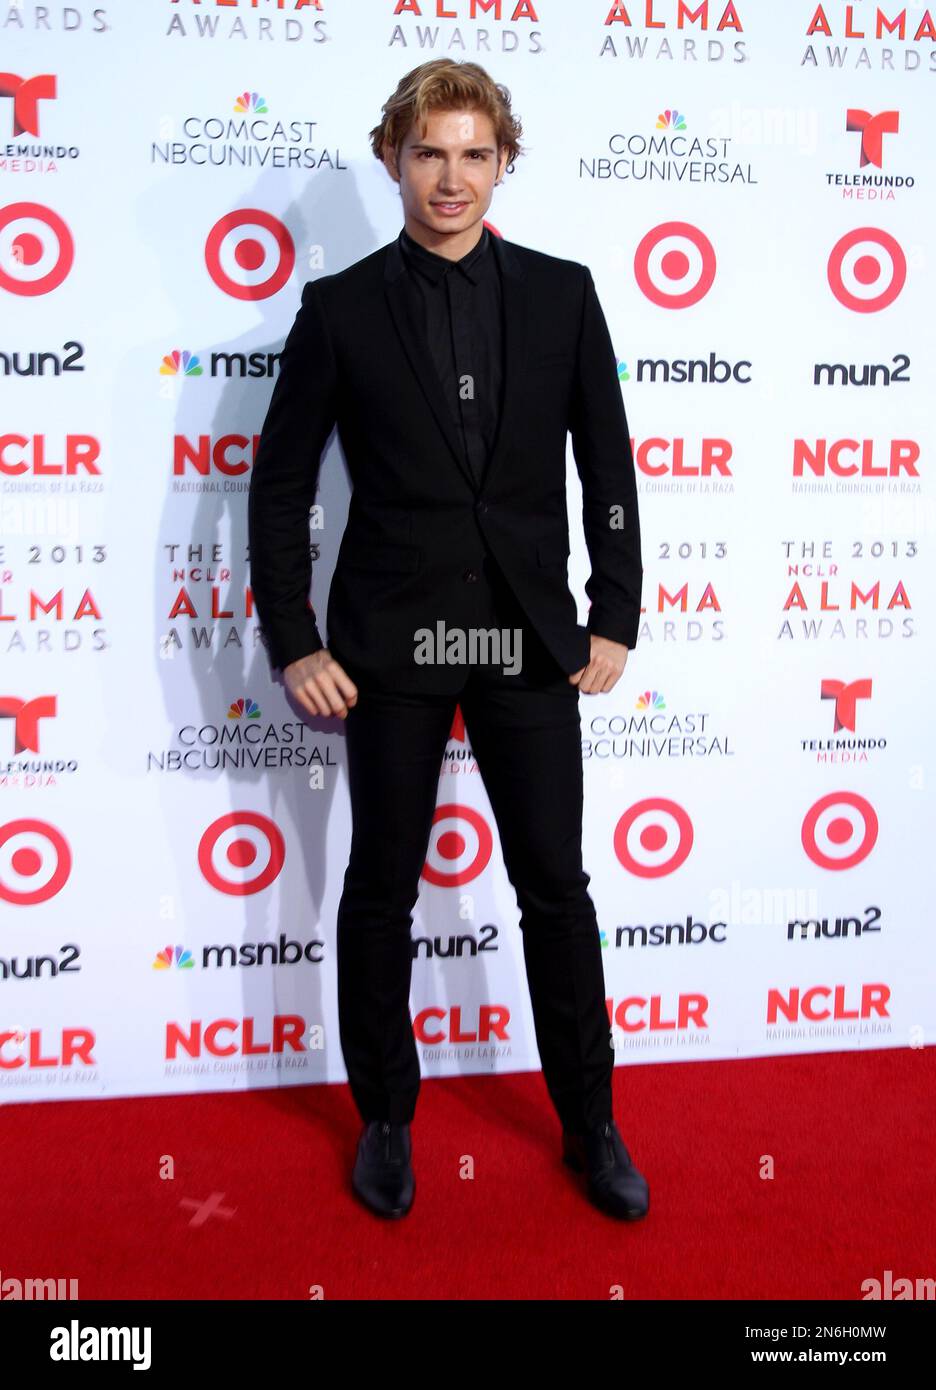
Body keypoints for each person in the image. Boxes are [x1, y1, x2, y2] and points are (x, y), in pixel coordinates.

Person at [247, 59, 648, 1222]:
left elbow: (608, 469)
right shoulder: (341, 311)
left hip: (528, 639)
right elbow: (279, 492)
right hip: (389, 643)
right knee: (378, 887)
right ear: (393, 160)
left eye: (476, 153)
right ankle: (385, 1116)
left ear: (504, 161)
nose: (452, 177)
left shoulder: (567, 295)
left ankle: (590, 1121)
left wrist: (613, 610)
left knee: (556, 891)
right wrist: (293, 639)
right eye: (431, 153)